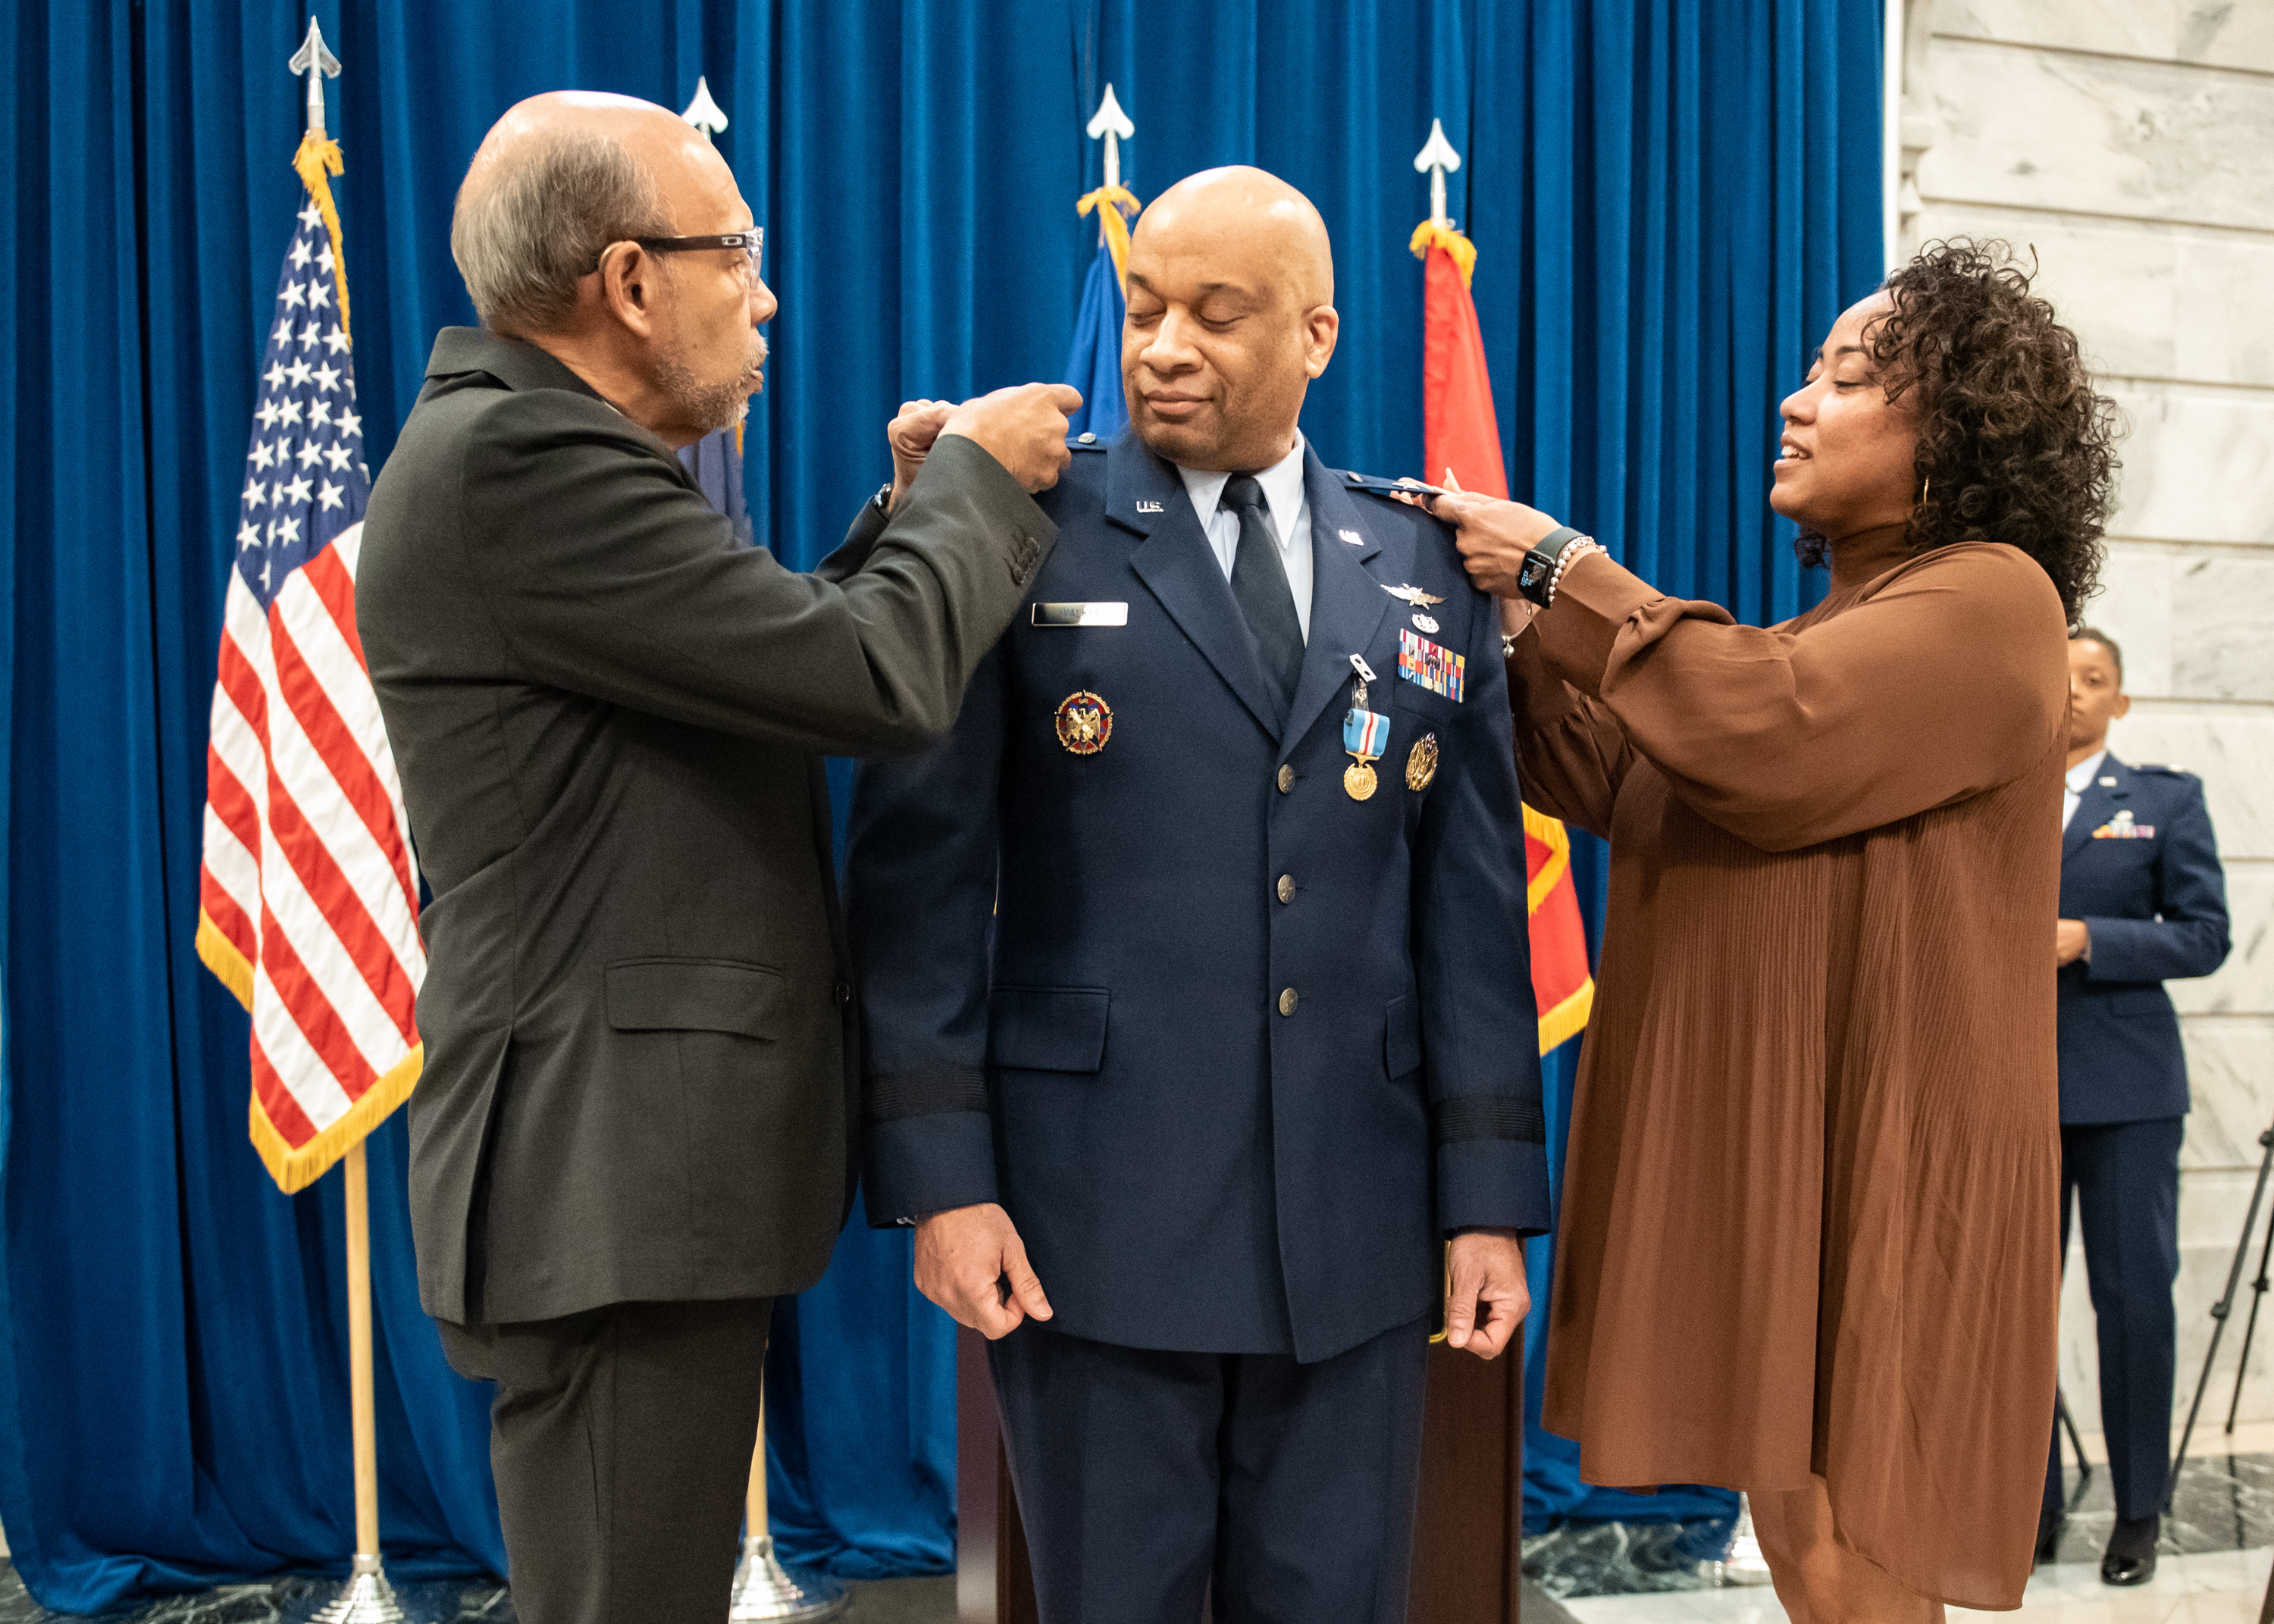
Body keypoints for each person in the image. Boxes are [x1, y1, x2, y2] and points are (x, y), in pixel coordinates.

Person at [355, 91, 1080, 1624]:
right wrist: (976, 488)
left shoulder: (539, 450)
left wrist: (911, 510)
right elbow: (871, 678)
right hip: (605, 1176)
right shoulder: (519, 463)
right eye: (737, 252)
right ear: (626, 280)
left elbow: (769, 662)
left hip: (632, 1178)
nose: (764, 295)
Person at [844, 167, 1546, 1624]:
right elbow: (919, 878)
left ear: (1318, 336)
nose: (1164, 345)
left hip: (1355, 1228)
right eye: (1150, 305)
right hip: (1088, 1219)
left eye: (1216, 316)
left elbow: (1469, 917)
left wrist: (1486, 1201)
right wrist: (941, 1185)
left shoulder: (1421, 559)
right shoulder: (1020, 527)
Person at [1424, 240, 2120, 1618]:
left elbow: (1769, 732)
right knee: (1803, 1540)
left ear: (1959, 427)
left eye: (1849, 377)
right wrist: (1509, 630)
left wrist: (1567, 567)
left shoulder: (1996, 600)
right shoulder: (1844, 615)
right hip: (1809, 1139)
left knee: (1862, 1553)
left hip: (1893, 1149)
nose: (1799, 401)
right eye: (1811, 370)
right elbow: (1642, 780)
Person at [2038, 627, 2229, 1584]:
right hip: (2013, 1092)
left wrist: (2090, 939)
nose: (2073, 693)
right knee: (2012, 1309)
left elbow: (2205, 936)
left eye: (2095, 679)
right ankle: (2020, 1509)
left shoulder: (2163, 800)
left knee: (2131, 1306)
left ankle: (2139, 1513)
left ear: (2121, 701)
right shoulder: (1992, 794)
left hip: (2126, 1094)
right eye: (2058, 676)